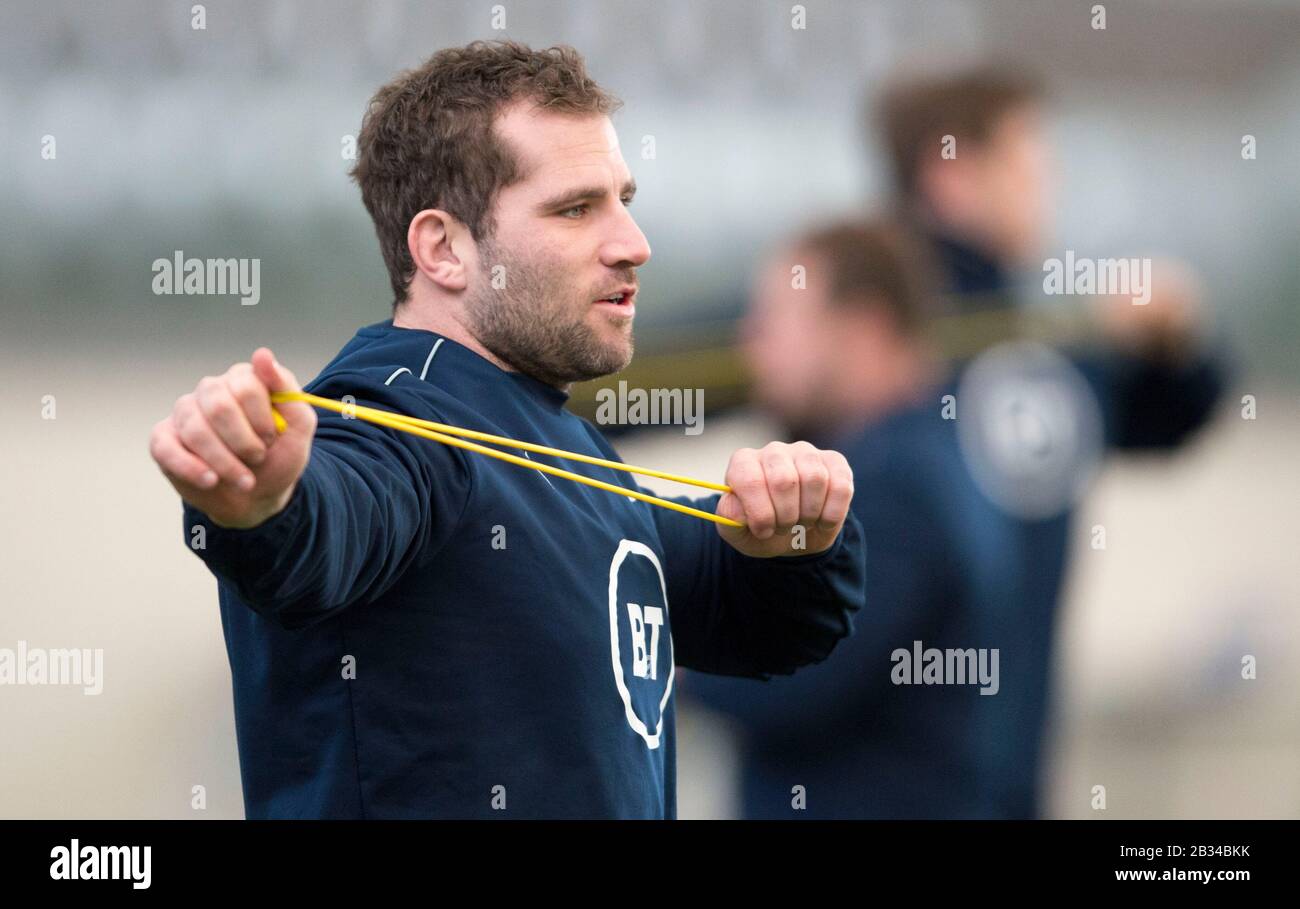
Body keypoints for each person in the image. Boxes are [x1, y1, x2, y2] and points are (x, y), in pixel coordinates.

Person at [146, 40, 866, 819]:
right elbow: (324, 526)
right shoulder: (398, 423)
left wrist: (801, 534)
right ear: (444, 249)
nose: (633, 243)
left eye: (625, 198)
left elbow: (771, 625)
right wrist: (263, 501)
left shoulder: (568, 444)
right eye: (575, 208)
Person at [687, 67, 1227, 819]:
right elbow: (642, 375)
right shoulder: (841, 291)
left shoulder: (1047, 337)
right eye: (1031, 164)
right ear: (954, 172)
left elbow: (1174, 416)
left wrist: (1181, 345)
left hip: (991, 757)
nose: (1050, 188)